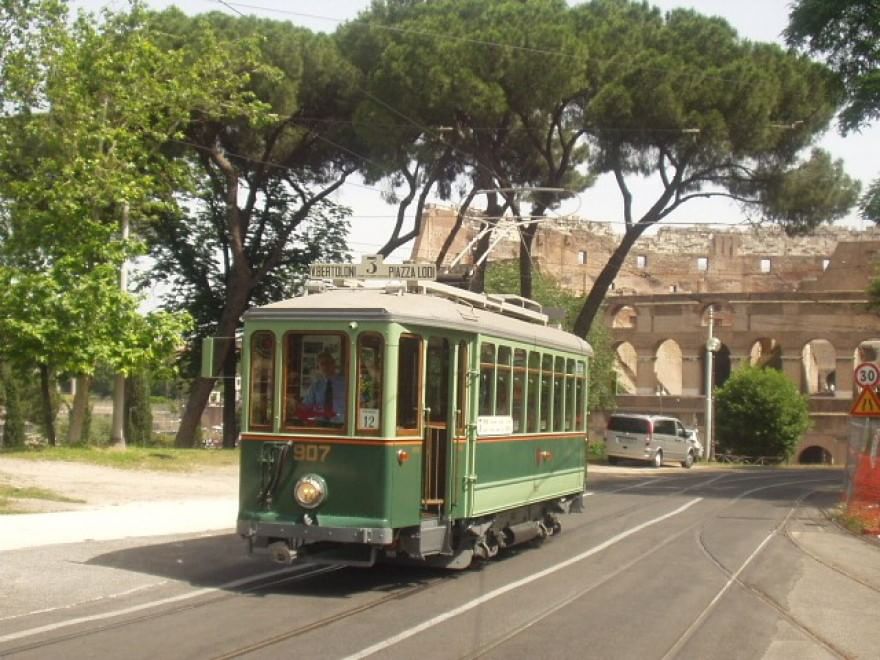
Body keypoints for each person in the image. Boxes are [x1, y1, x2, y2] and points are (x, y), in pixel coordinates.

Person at [301, 351, 346, 424]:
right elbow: (306, 406)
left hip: (342, 425)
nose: (325, 366)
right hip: (320, 425)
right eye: (322, 364)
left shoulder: (346, 384)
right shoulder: (315, 386)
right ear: (319, 367)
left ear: (333, 364)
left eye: (328, 363)